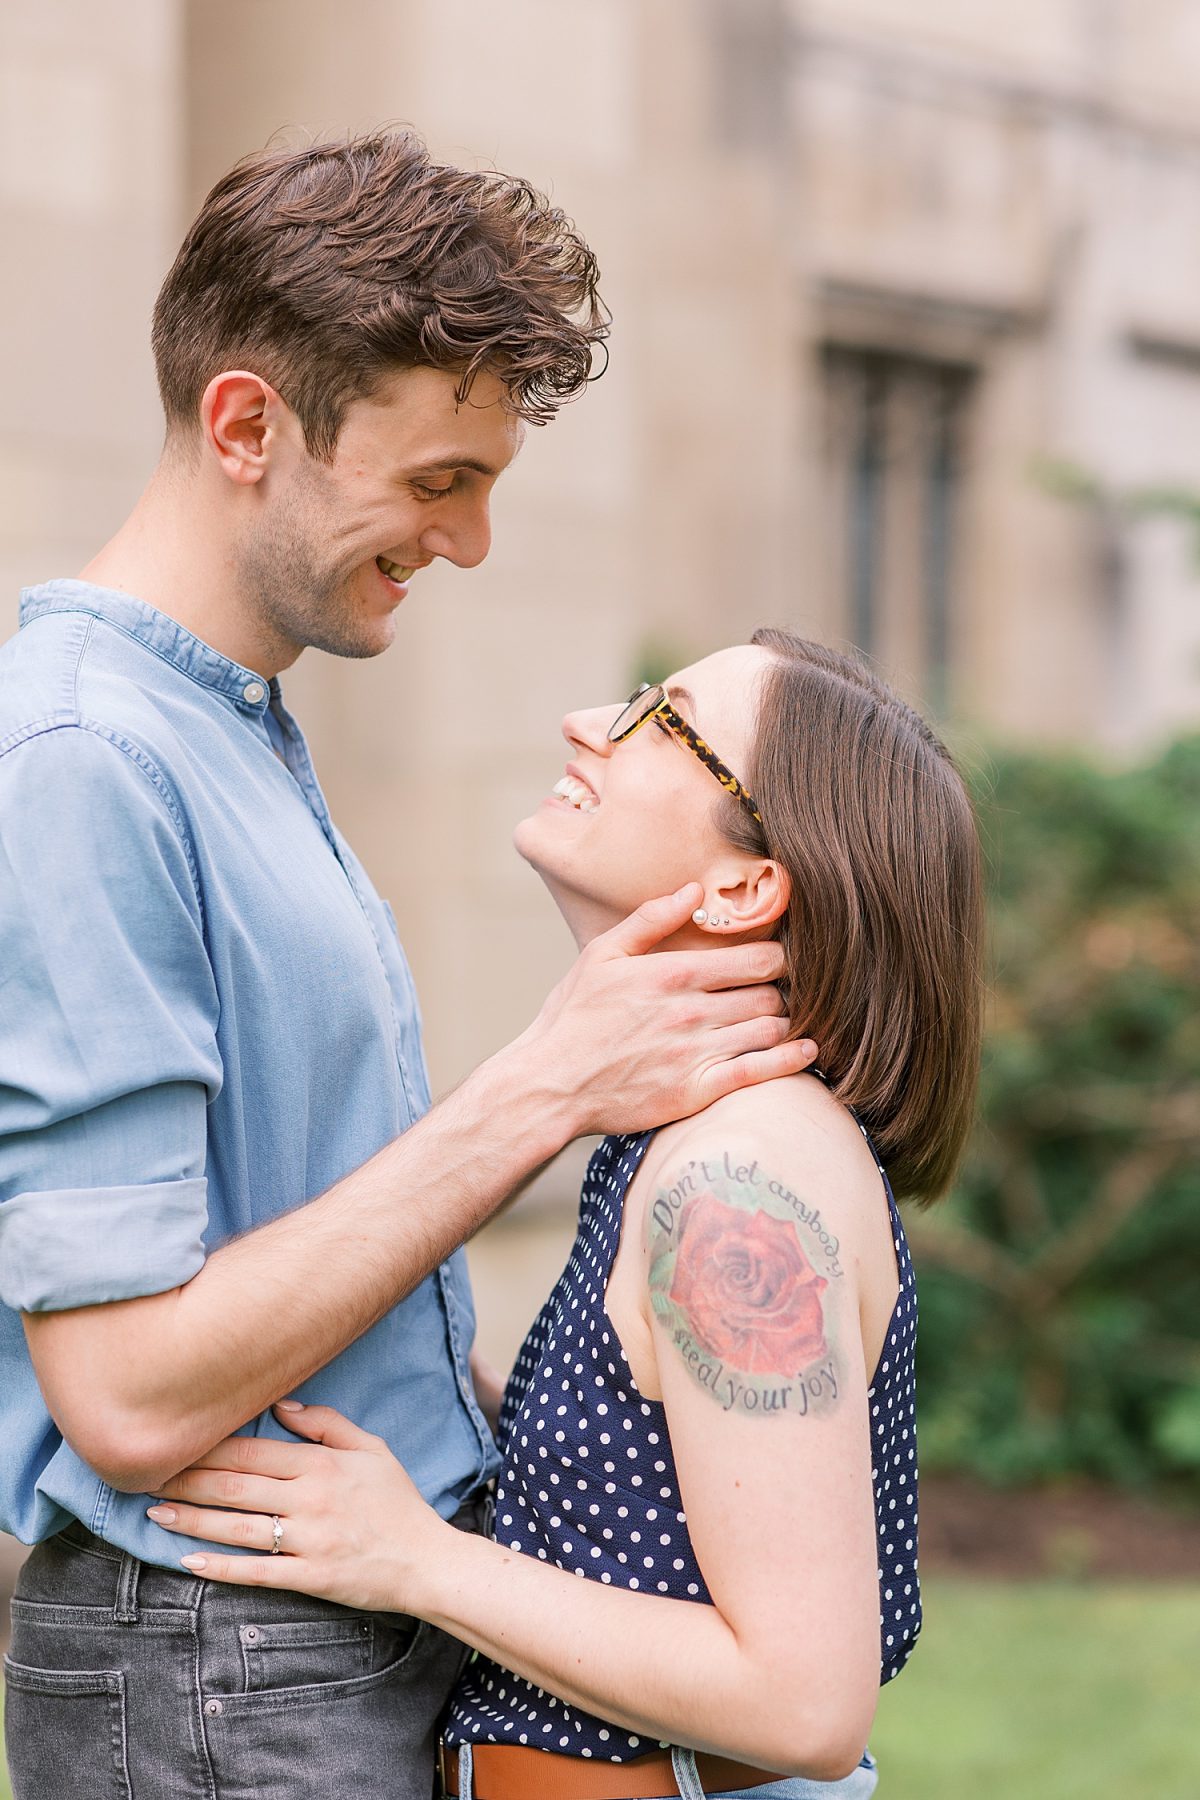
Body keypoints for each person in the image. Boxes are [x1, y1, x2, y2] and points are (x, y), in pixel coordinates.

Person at [0, 133, 817, 1800]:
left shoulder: (226, 726)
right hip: (225, 1658)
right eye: (441, 478)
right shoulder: (88, 759)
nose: (473, 543)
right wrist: (549, 1083)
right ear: (248, 427)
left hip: (307, 1634)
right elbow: (128, 1394)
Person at [146, 632, 986, 1800]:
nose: (586, 722)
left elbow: (804, 1702)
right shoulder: (699, 1139)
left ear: (747, 885)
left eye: (660, 719)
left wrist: (413, 1559)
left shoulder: (741, 1175)